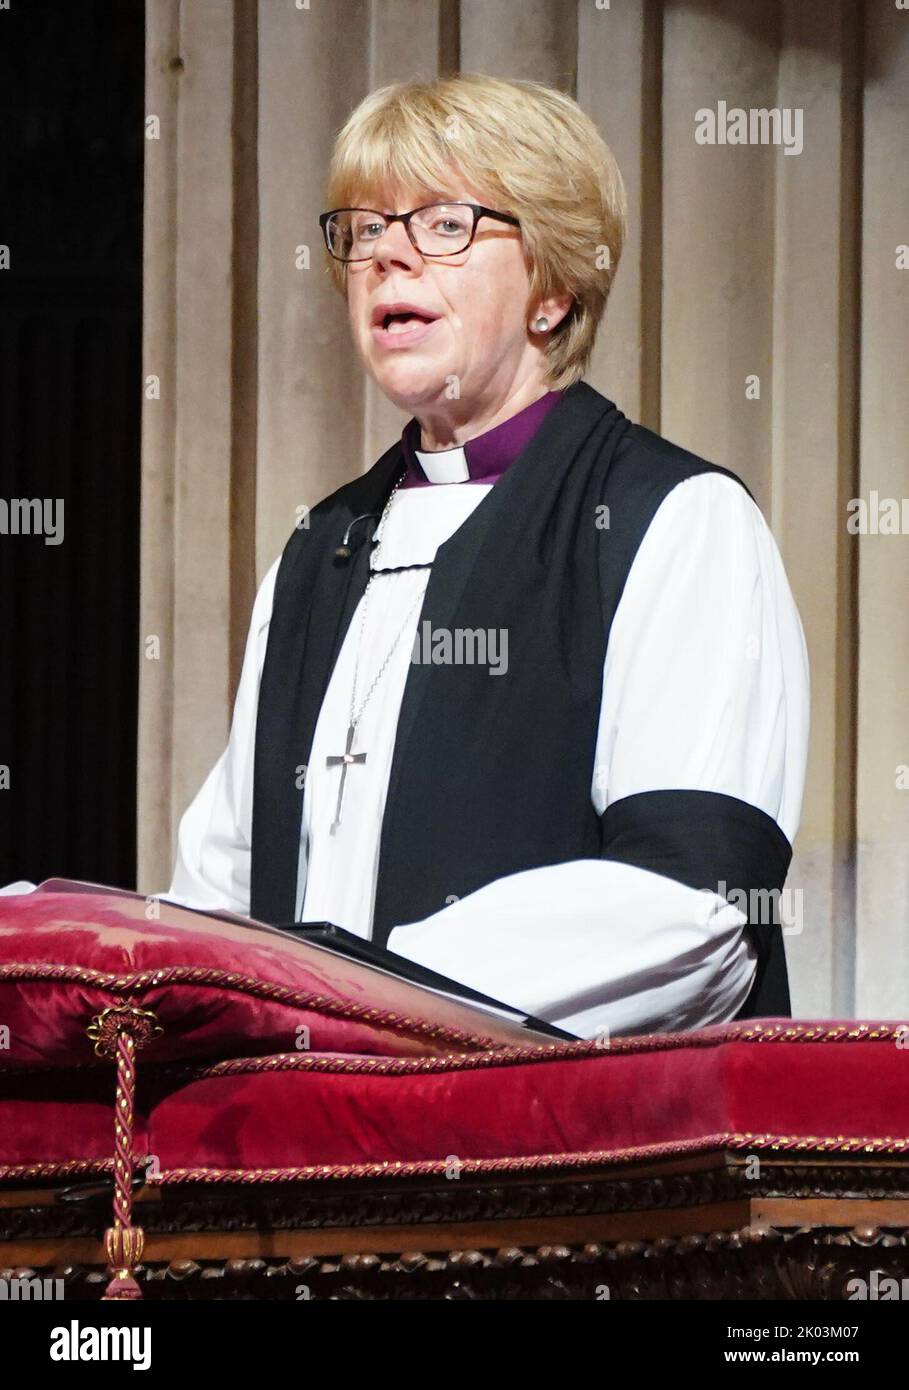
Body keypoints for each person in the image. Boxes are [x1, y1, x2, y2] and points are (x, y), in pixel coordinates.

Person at [166, 74, 810, 1038]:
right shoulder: (317, 553)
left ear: (552, 287)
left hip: (565, 1165)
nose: (387, 258)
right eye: (365, 229)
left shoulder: (675, 521)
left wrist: (361, 991)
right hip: (307, 1144)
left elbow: (694, 904)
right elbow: (223, 886)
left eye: (441, 224)